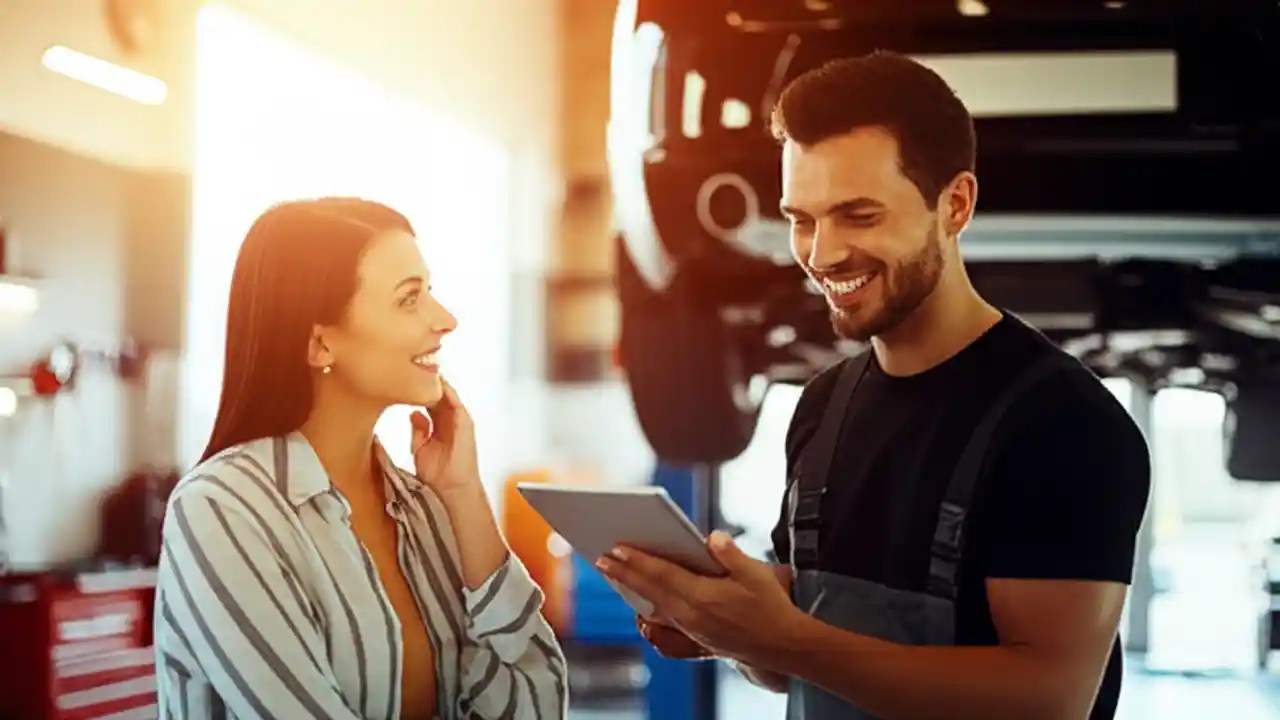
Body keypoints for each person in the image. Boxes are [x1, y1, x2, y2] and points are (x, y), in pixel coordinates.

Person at [597, 51, 1151, 719]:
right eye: (802, 219)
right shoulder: (822, 407)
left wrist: (785, 639)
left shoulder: (1063, 423)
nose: (822, 254)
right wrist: (727, 631)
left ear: (955, 204)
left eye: (859, 216)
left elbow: (1048, 700)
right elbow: (799, 661)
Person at [153, 198, 567, 719]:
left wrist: (465, 495)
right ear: (320, 343)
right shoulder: (222, 510)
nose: (446, 320)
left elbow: (537, 705)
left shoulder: (425, 507)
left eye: (429, 292)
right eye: (409, 299)